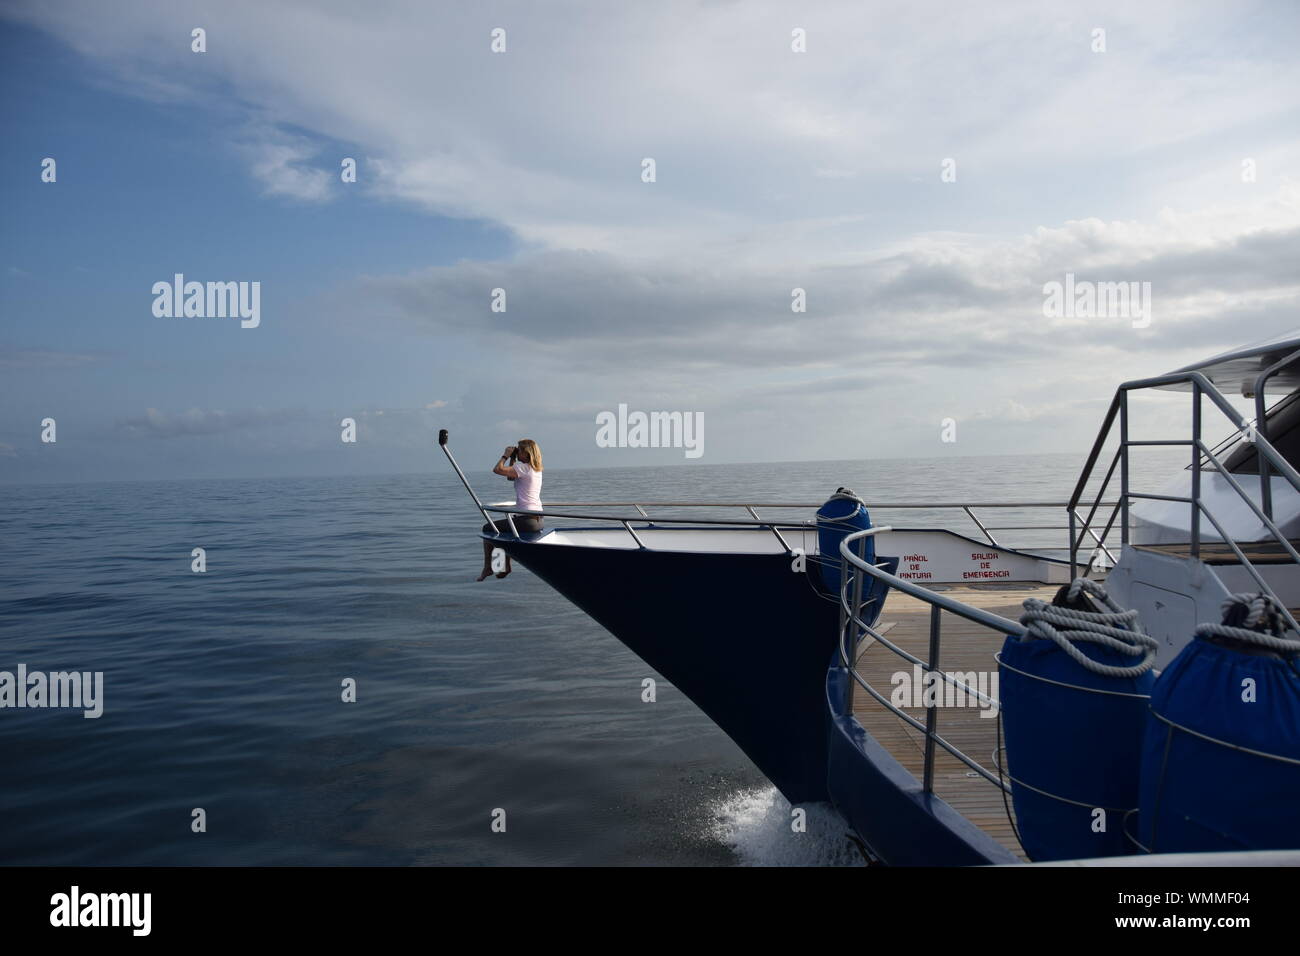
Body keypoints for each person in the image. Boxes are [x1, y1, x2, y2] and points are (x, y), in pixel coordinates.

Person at [478, 438, 544, 581]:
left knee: (488, 529)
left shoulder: (523, 468)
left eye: (519, 450)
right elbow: (510, 478)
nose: (517, 452)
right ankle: (503, 566)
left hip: (526, 519)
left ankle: (489, 566)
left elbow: (497, 470)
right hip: (537, 519)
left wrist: (505, 455)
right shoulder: (534, 468)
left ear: (526, 453)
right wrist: (513, 458)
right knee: (505, 530)